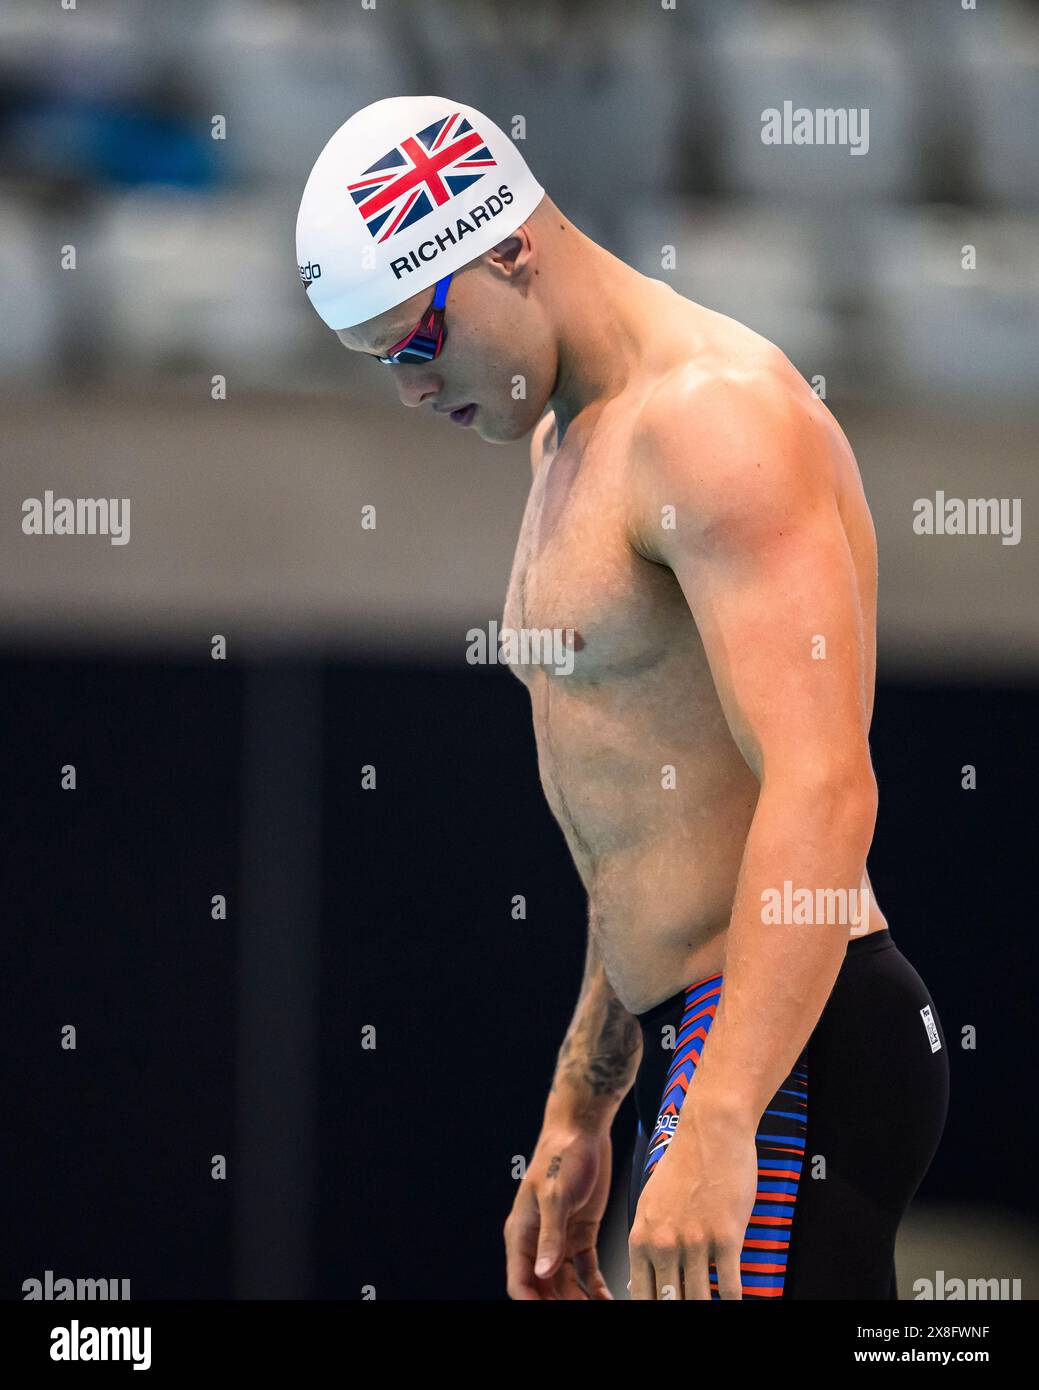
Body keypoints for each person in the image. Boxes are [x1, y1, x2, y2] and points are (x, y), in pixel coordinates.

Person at [296, 95, 950, 1300]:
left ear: (505, 248)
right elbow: (641, 821)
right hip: (721, 1043)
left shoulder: (712, 420)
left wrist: (721, 1114)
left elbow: (823, 782)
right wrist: (584, 1094)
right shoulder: (567, 441)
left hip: (787, 1044)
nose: (409, 391)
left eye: (411, 344)